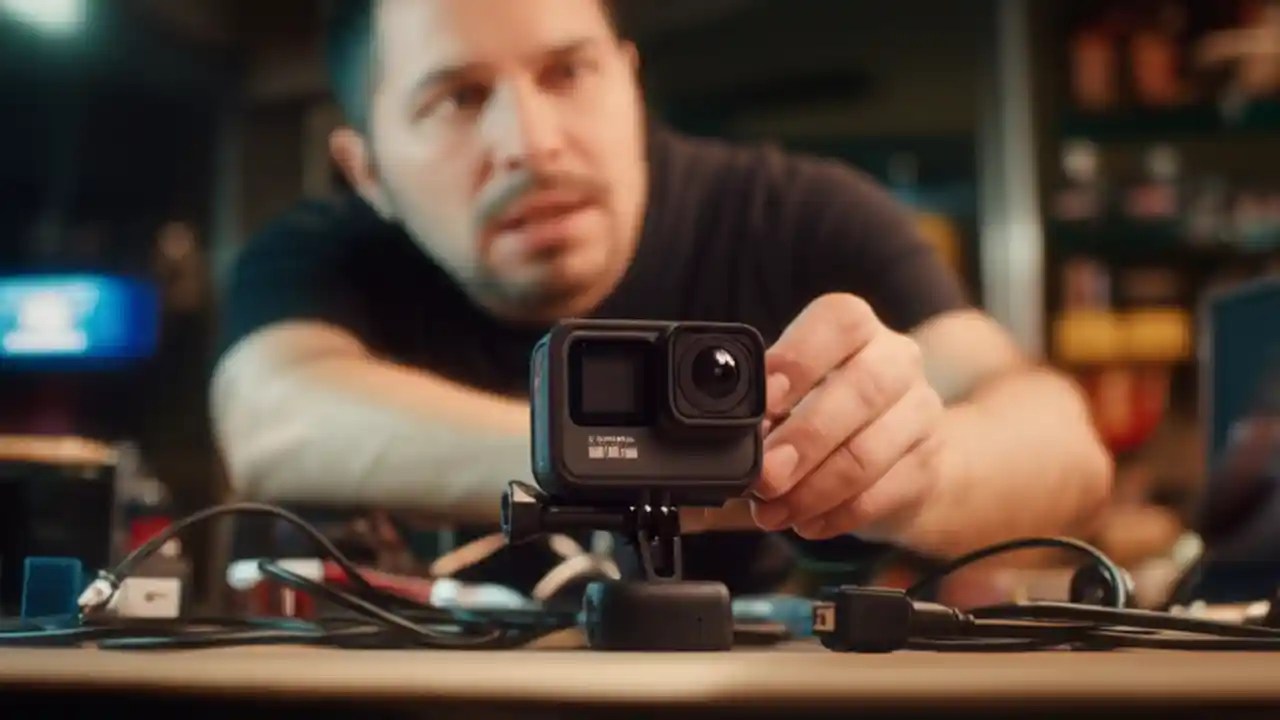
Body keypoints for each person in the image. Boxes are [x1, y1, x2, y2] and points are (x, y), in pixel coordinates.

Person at [210, 0, 1112, 586]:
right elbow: (272, 417)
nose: (532, 141)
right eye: (455, 98)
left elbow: (1060, 438)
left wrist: (919, 470)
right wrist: (650, 460)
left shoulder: (799, 216)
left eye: (568, 73)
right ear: (365, 170)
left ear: (630, 83)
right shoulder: (322, 253)